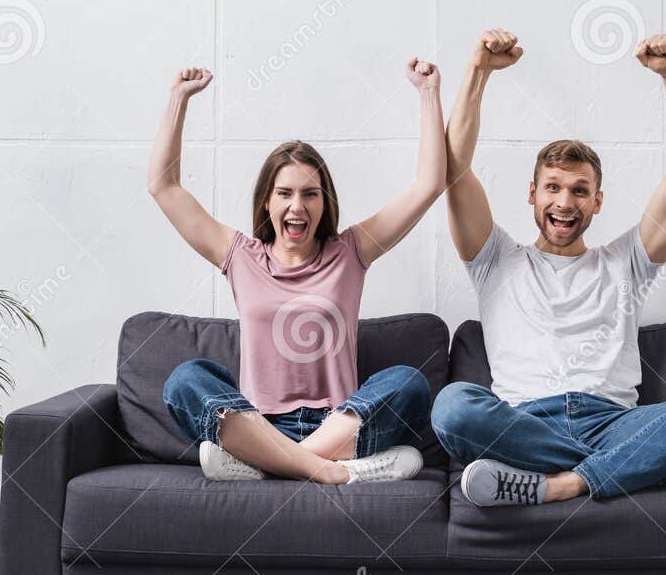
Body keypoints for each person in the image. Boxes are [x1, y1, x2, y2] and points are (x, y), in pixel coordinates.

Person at [431, 29, 666, 507]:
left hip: (615, 419)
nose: (564, 202)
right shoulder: (495, 258)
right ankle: (650, 464)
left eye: (579, 191)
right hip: (523, 421)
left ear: (597, 202)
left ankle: (564, 483)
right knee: (453, 408)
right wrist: (477, 72)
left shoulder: (625, 262)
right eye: (552, 187)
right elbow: (455, 170)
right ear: (532, 195)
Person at [149, 59, 445, 484]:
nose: (297, 206)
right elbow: (165, 186)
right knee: (185, 380)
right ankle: (333, 473)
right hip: (257, 425)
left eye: (310, 194)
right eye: (284, 193)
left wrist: (428, 93)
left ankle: (268, 465)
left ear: (325, 203)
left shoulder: (350, 252)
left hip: (337, 426)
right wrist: (178, 99)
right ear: (266, 202)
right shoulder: (240, 256)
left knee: (409, 383)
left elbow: (429, 184)